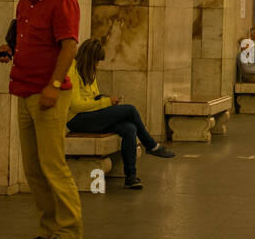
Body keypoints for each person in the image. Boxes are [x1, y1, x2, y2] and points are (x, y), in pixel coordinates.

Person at [0, 0, 83, 239]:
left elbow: (69, 46)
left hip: (49, 94)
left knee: (53, 164)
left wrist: (54, 85)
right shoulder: (25, 2)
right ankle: (48, 229)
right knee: (33, 167)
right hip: (24, 90)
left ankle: (70, 232)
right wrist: (9, 50)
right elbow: (26, 37)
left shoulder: (63, 0)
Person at [66, 38, 175, 189]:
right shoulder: (72, 70)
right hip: (77, 119)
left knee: (129, 128)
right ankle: (151, 145)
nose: (97, 65)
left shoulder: (88, 71)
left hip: (91, 116)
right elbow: (76, 105)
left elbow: (94, 97)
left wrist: (106, 99)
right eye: (96, 61)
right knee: (129, 109)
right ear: (89, 58)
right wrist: (106, 102)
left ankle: (131, 176)